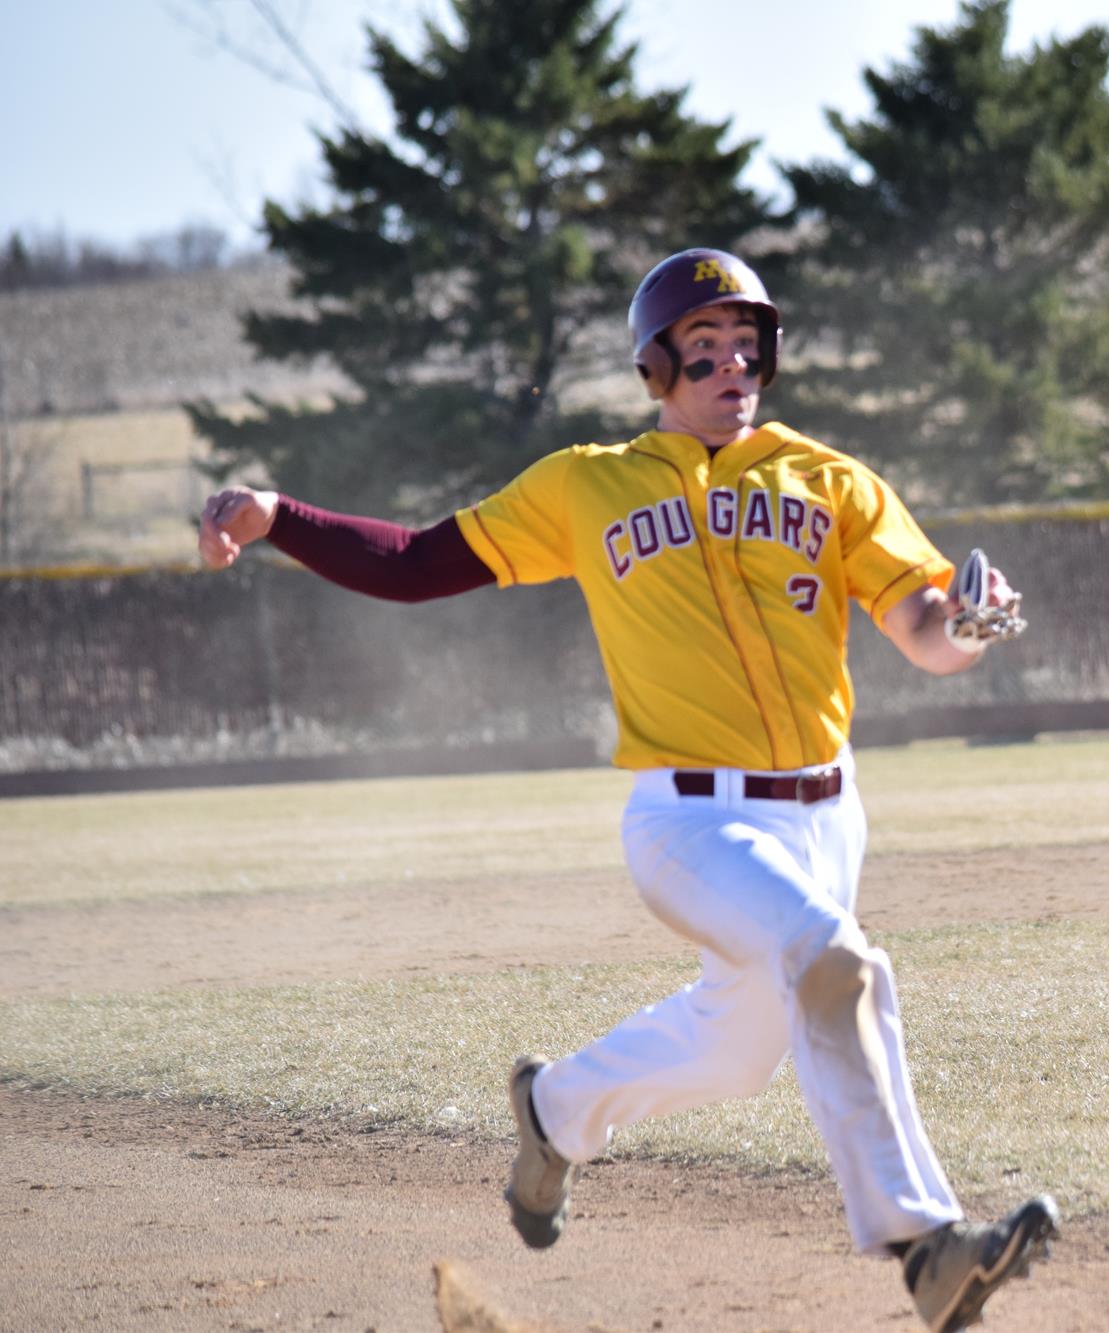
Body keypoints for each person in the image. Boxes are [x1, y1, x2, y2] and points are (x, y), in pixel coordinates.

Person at [197, 248, 1058, 1333]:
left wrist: (971, 622)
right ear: (656, 366)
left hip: (827, 815)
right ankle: (926, 1245)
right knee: (835, 958)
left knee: (738, 1049)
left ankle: (552, 1112)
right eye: (704, 348)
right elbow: (417, 563)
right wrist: (278, 514)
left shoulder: (827, 479)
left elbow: (926, 633)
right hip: (688, 818)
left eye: (748, 345)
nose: (733, 364)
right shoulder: (585, 485)